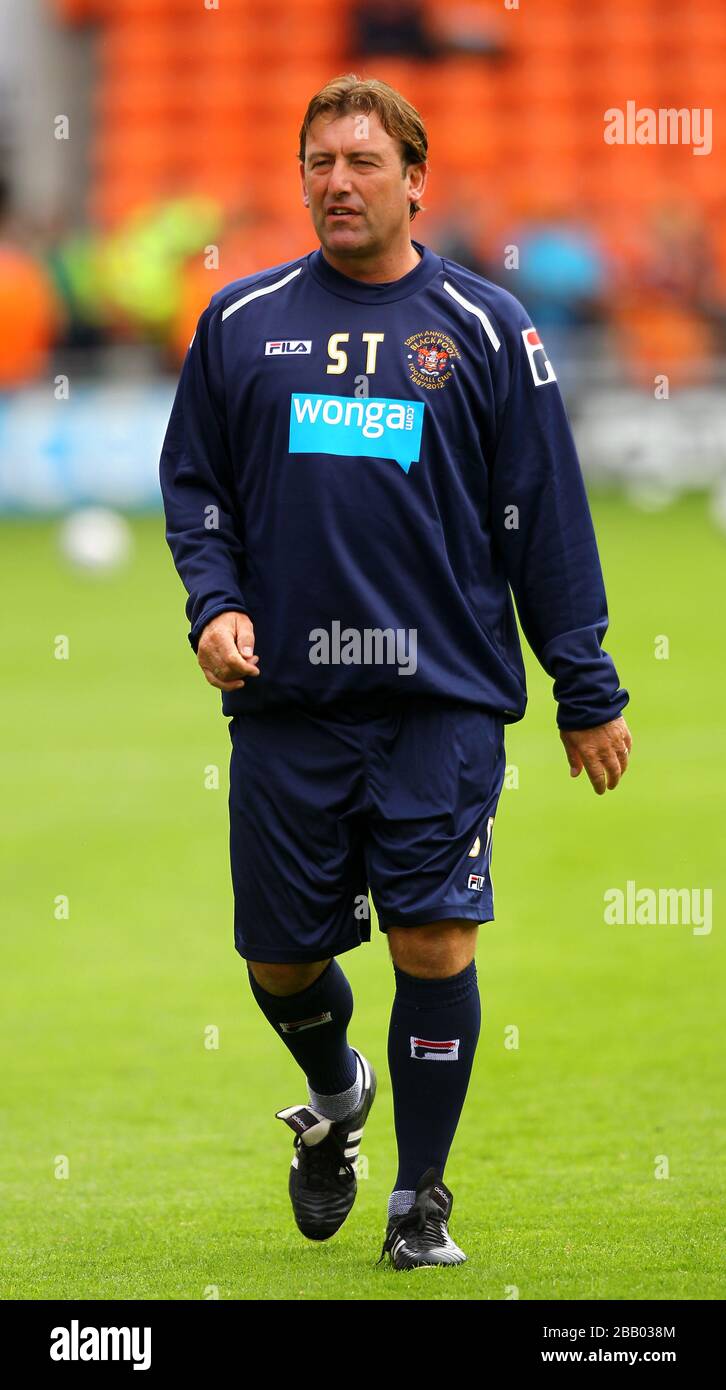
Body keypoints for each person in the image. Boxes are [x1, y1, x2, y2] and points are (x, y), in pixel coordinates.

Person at [158, 73, 632, 1272]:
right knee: (280, 961)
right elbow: (197, 492)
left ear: (417, 180)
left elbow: (546, 520)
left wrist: (585, 686)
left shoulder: (485, 329)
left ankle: (421, 1201)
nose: (337, 183)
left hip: (439, 698)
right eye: (320, 162)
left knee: (435, 941)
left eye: (363, 162)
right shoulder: (239, 323)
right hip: (288, 705)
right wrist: (214, 606)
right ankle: (336, 1091)